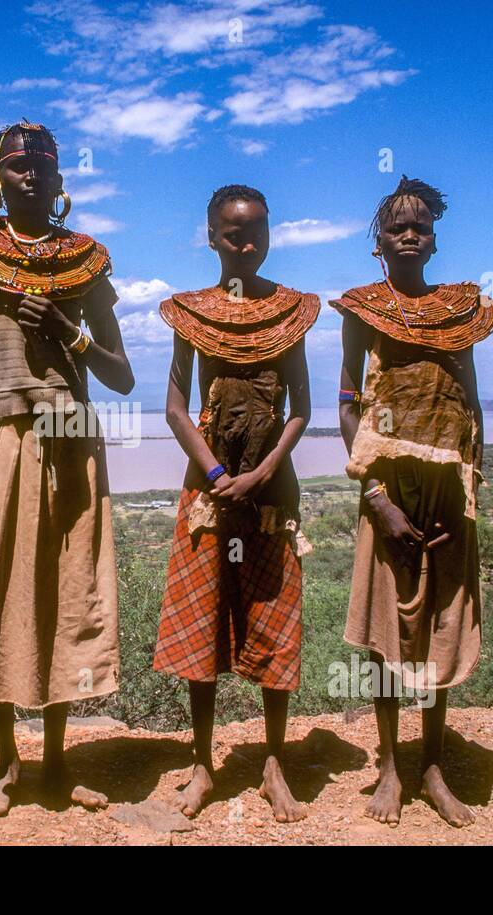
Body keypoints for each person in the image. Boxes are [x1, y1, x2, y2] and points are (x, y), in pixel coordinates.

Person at [0, 120, 134, 816]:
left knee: (63, 588)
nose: (30, 175)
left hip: (69, 436)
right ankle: (7, 765)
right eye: (17, 166)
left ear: (60, 182)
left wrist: (67, 331)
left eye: (43, 167)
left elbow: (119, 375)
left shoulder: (84, 263)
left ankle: (57, 762)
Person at [331, 175, 493, 828]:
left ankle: (432, 765)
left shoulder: (458, 310)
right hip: (388, 489)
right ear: (379, 239)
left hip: (447, 493)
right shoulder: (362, 310)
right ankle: (391, 769)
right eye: (397, 224)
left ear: (433, 239)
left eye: (420, 225)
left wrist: (468, 488)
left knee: (438, 625)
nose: (409, 232)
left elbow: (473, 406)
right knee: (386, 634)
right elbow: (347, 409)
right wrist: (376, 499)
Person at [152, 184, 318, 822]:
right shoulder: (190, 312)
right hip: (210, 491)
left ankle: (274, 764)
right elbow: (173, 408)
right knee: (203, 625)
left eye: (256, 232)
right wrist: (220, 469)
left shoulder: (292, 311)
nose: (246, 244)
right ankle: (203, 765)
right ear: (211, 237)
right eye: (232, 233)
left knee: (274, 624)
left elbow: (300, 409)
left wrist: (262, 472)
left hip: (272, 493)